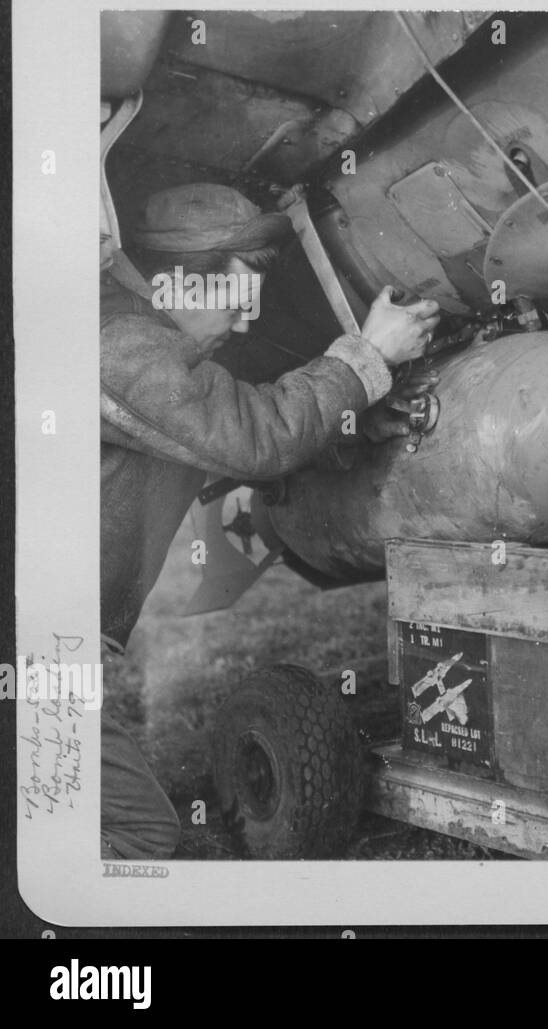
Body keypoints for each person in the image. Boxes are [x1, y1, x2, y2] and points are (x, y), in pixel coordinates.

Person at [100, 183, 441, 859]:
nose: (248, 318)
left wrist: (352, 414)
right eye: (240, 289)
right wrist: (364, 358)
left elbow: (238, 430)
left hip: (60, 646)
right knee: (137, 835)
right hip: (41, 650)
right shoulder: (122, 348)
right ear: (186, 280)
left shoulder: (144, 344)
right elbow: (254, 435)